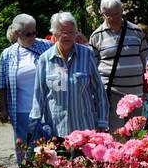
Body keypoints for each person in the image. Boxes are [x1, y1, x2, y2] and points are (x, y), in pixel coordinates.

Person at [31, 12, 108, 143]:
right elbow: (39, 94)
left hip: (85, 130)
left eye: (71, 32)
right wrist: (35, 123)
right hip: (56, 131)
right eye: (63, 32)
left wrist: (102, 121)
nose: (67, 36)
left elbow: (99, 90)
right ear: (54, 33)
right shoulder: (45, 59)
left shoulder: (86, 54)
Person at [0, 14, 52, 164]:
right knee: (24, 150)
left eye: (34, 32)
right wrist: (3, 109)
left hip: (45, 108)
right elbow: (2, 85)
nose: (33, 36)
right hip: (21, 110)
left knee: (46, 149)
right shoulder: (7, 55)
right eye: (28, 34)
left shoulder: (46, 46)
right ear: (16, 33)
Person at [89, 0, 148, 131]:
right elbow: (93, 65)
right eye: (108, 15)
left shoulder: (136, 31)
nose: (113, 18)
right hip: (112, 92)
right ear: (102, 14)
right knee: (117, 134)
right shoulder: (96, 36)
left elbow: (143, 59)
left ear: (122, 10)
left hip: (135, 92)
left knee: (136, 133)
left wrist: (144, 86)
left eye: (117, 14)